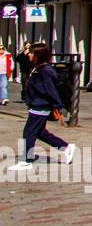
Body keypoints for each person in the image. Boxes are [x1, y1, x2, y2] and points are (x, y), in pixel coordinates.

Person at [8, 44, 73, 172]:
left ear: (38, 55)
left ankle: (27, 161)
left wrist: (60, 107)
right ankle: (65, 147)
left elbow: (51, 90)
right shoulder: (38, 68)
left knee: (29, 132)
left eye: (31, 53)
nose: (29, 55)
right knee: (40, 132)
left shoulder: (45, 70)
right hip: (36, 105)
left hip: (41, 105)